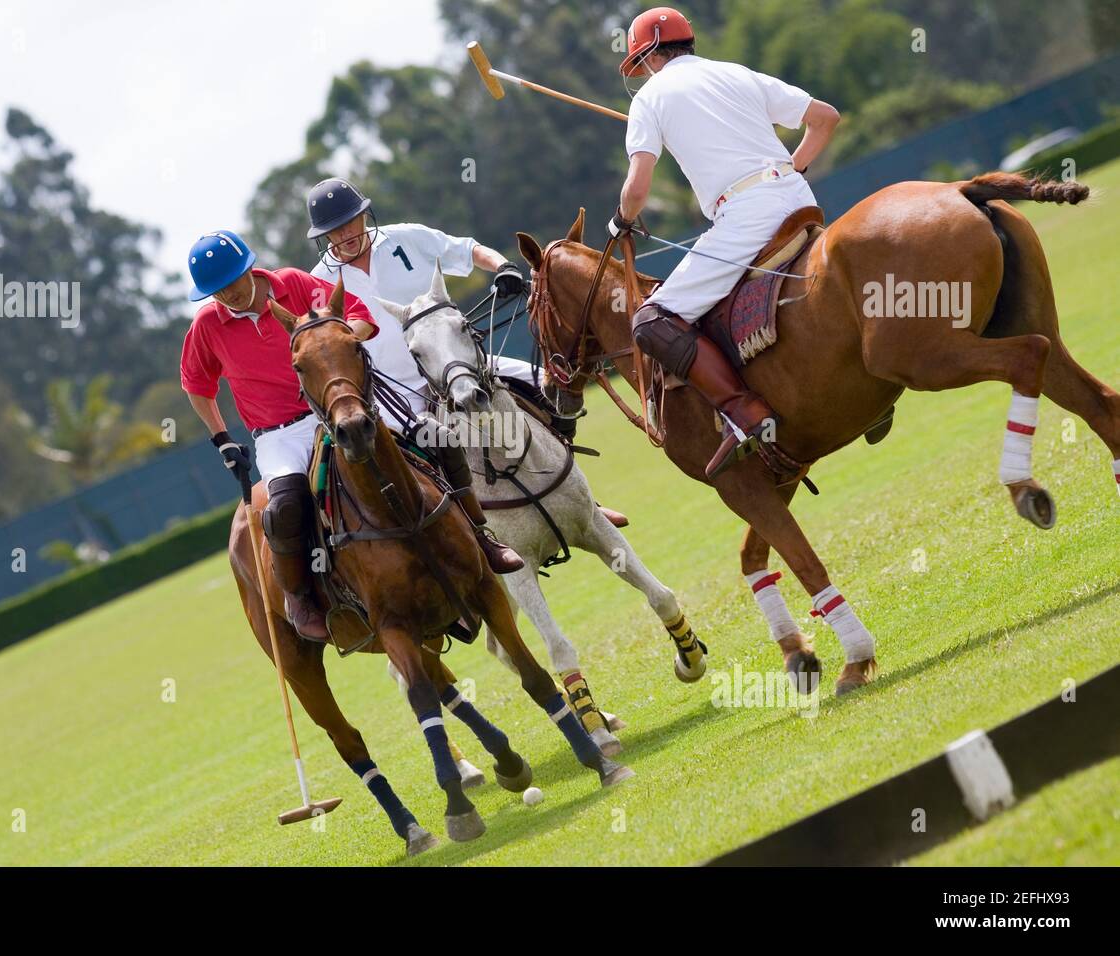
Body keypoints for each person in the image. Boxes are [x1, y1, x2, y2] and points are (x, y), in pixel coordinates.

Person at [609, 6, 840, 478]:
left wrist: (620, 222)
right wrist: (793, 169)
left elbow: (637, 189)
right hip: (797, 198)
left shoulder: (649, 99)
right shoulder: (736, 72)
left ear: (650, 57)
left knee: (651, 319)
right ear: (687, 44)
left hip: (745, 216)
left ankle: (743, 414)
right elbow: (826, 119)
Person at [179, 230, 378, 639]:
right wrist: (222, 439)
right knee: (285, 505)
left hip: (335, 408)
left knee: (418, 443)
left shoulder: (296, 285)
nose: (228, 295)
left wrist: (337, 343)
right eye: (216, 291)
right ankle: (300, 597)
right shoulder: (207, 327)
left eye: (232, 281)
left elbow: (360, 314)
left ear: (249, 268)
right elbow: (197, 386)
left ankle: (475, 534)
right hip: (278, 435)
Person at [304, 178, 568, 432]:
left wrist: (503, 267)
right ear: (324, 236)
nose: (346, 232)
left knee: (545, 382)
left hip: (459, 364)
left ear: (364, 214)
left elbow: (468, 250)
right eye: (336, 228)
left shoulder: (406, 237)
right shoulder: (317, 282)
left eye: (351, 220)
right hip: (397, 391)